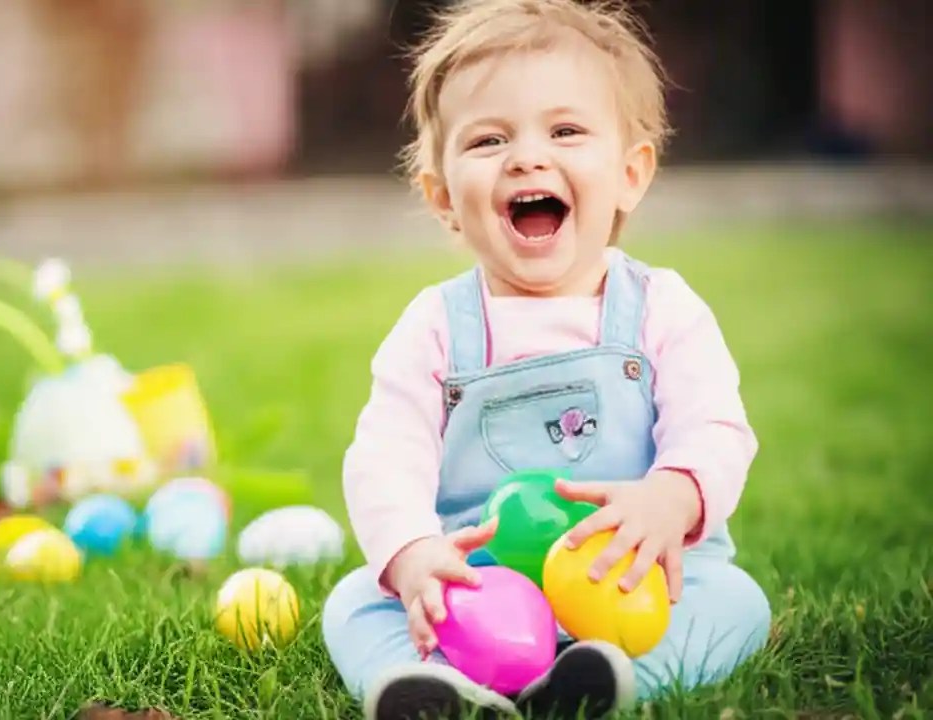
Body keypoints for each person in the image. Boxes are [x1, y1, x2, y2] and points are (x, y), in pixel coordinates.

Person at [320, 1, 771, 718]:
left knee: (736, 601)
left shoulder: (662, 308)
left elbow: (716, 428)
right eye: (489, 139)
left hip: (630, 575)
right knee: (352, 604)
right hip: (479, 587)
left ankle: (601, 682)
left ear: (630, 173)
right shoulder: (435, 326)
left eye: (565, 131)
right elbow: (384, 456)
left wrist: (671, 497)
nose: (528, 157)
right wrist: (412, 555)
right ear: (442, 198)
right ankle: (438, 689)